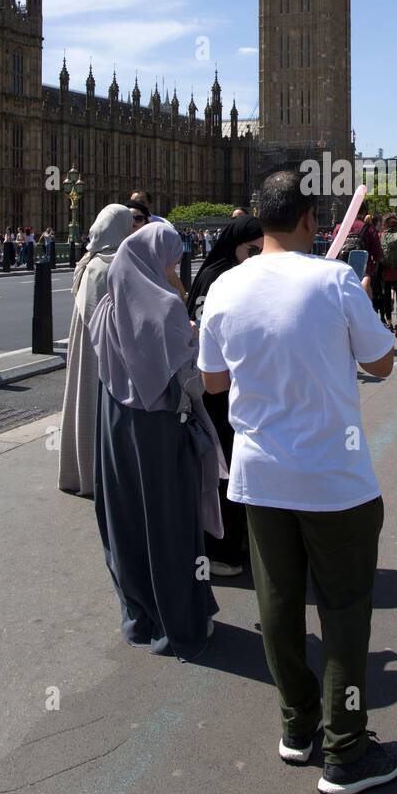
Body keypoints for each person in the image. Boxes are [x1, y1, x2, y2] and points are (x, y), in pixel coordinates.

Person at [198, 170, 397, 794]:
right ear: (311, 220)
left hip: (260, 477)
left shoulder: (225, 289)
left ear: (260, 221)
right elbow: (383, 363)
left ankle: (297, 725)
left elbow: (212, 383)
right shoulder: (336, 279)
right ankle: (345, 752)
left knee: (279, 605)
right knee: (343, 610)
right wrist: (356, 304)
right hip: (334, 480)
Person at [89, 222, 225, 659]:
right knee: (170, 524)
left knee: (127, 520)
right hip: (160, 432)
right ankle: (180, 622)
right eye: (170, 258)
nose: (173, 266)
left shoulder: (106, 307)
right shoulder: (166, 309)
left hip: (115, 430)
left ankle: (141, 616)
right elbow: (192, 383)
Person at [186, 215, 264, 576]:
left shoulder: (227, 270)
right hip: (215, 390)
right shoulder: (219, 277)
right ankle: (220, 550)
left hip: (226, 387)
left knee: (231, 467)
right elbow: (207, 335)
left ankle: (234, 541)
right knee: (224, 469)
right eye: (252, 250)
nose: (257, 258)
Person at [59, 205, 134, 498]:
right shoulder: (112, 264)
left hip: (85, 346)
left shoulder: (88, 262)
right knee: (99, 407)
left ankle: (80, 471)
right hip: (104, 348)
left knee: (82, 403)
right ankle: (98, 476)